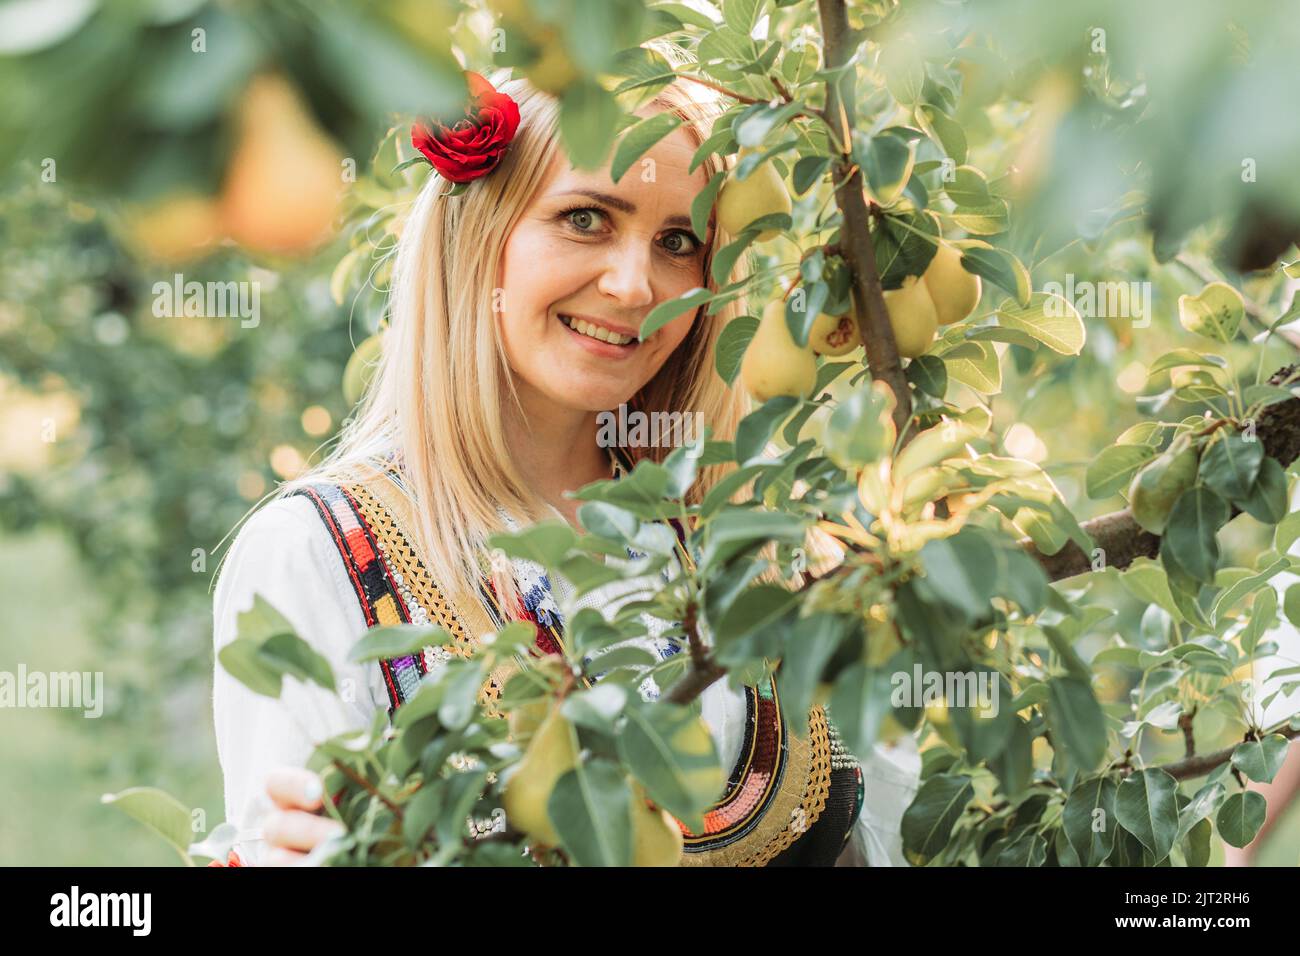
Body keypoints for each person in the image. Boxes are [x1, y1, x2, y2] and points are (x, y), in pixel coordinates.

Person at [211, 57, 922, 868]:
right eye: (586, 218)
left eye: (678, 242)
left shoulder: (755, 541)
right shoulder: (313, 555)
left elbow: (901, 838)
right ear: (479, 241)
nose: (632, 284)